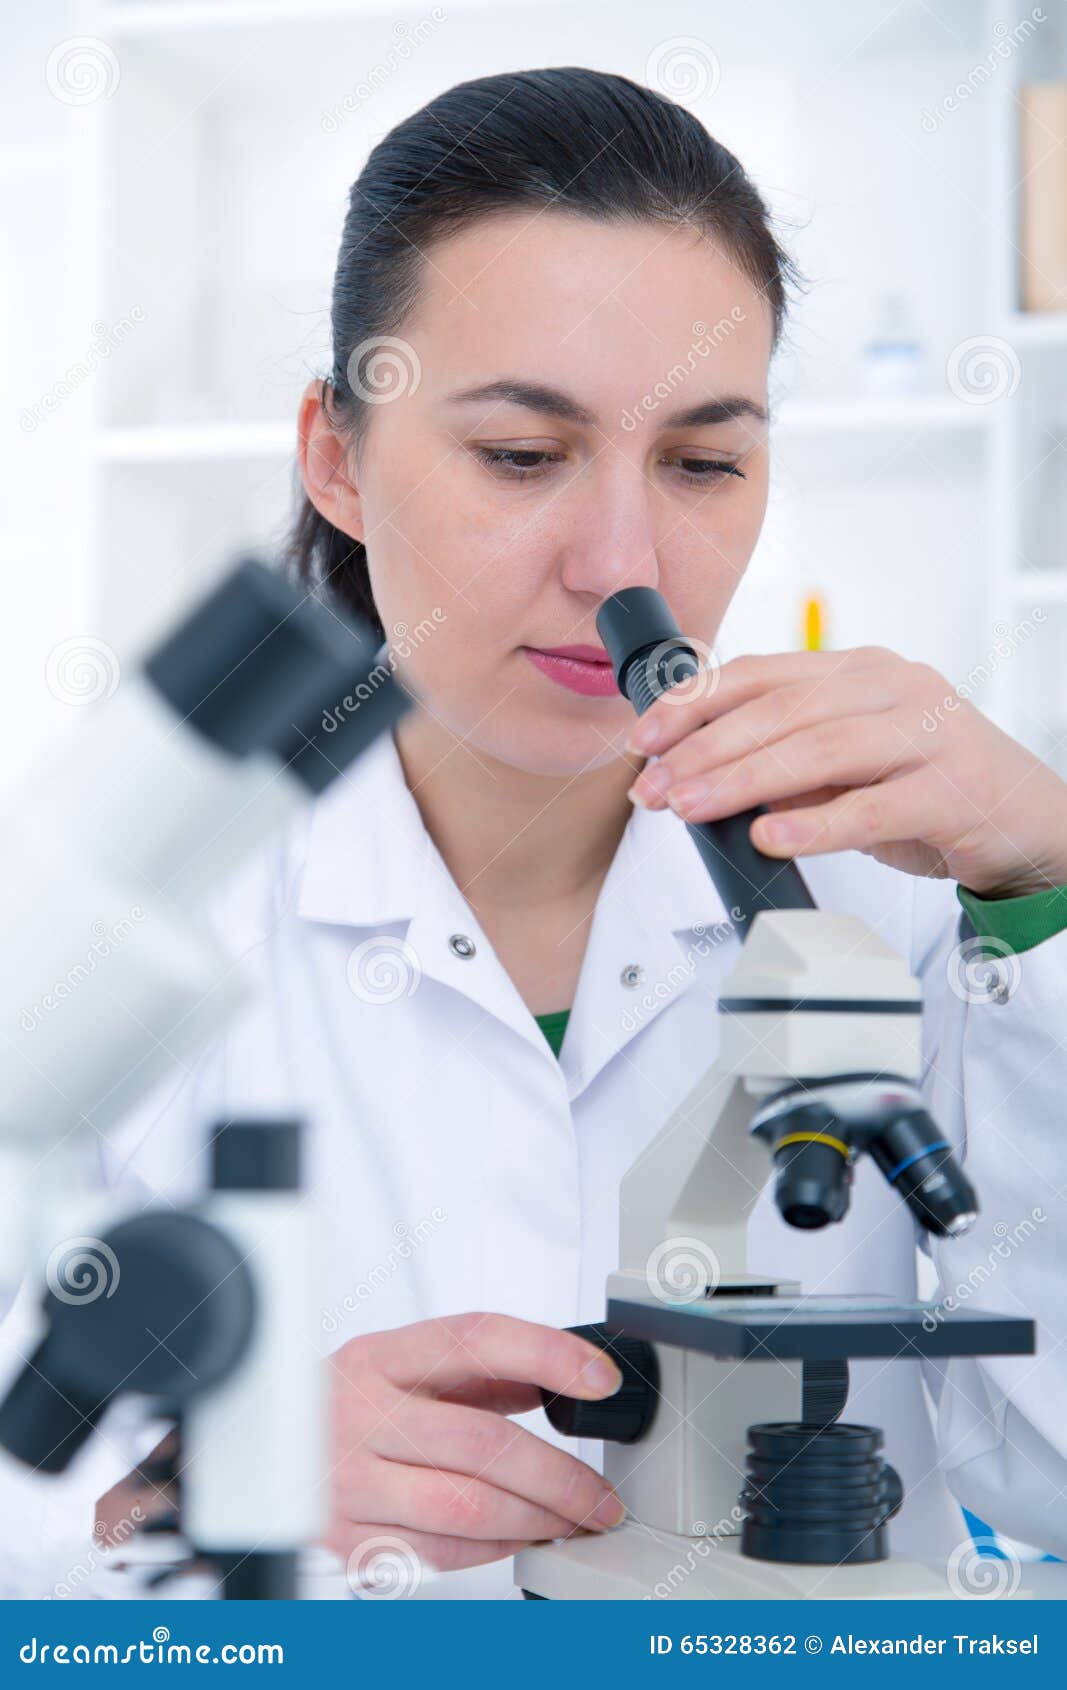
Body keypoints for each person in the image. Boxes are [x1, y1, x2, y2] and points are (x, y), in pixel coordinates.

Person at [45, 66, 1067, 1598]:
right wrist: (187, 1489)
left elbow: (1055, 1475)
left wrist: (1048, 892)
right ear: (337, 457)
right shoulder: (115, 916)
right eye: (523, 454)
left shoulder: (904, 885)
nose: (622, 562)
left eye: (704, 462)